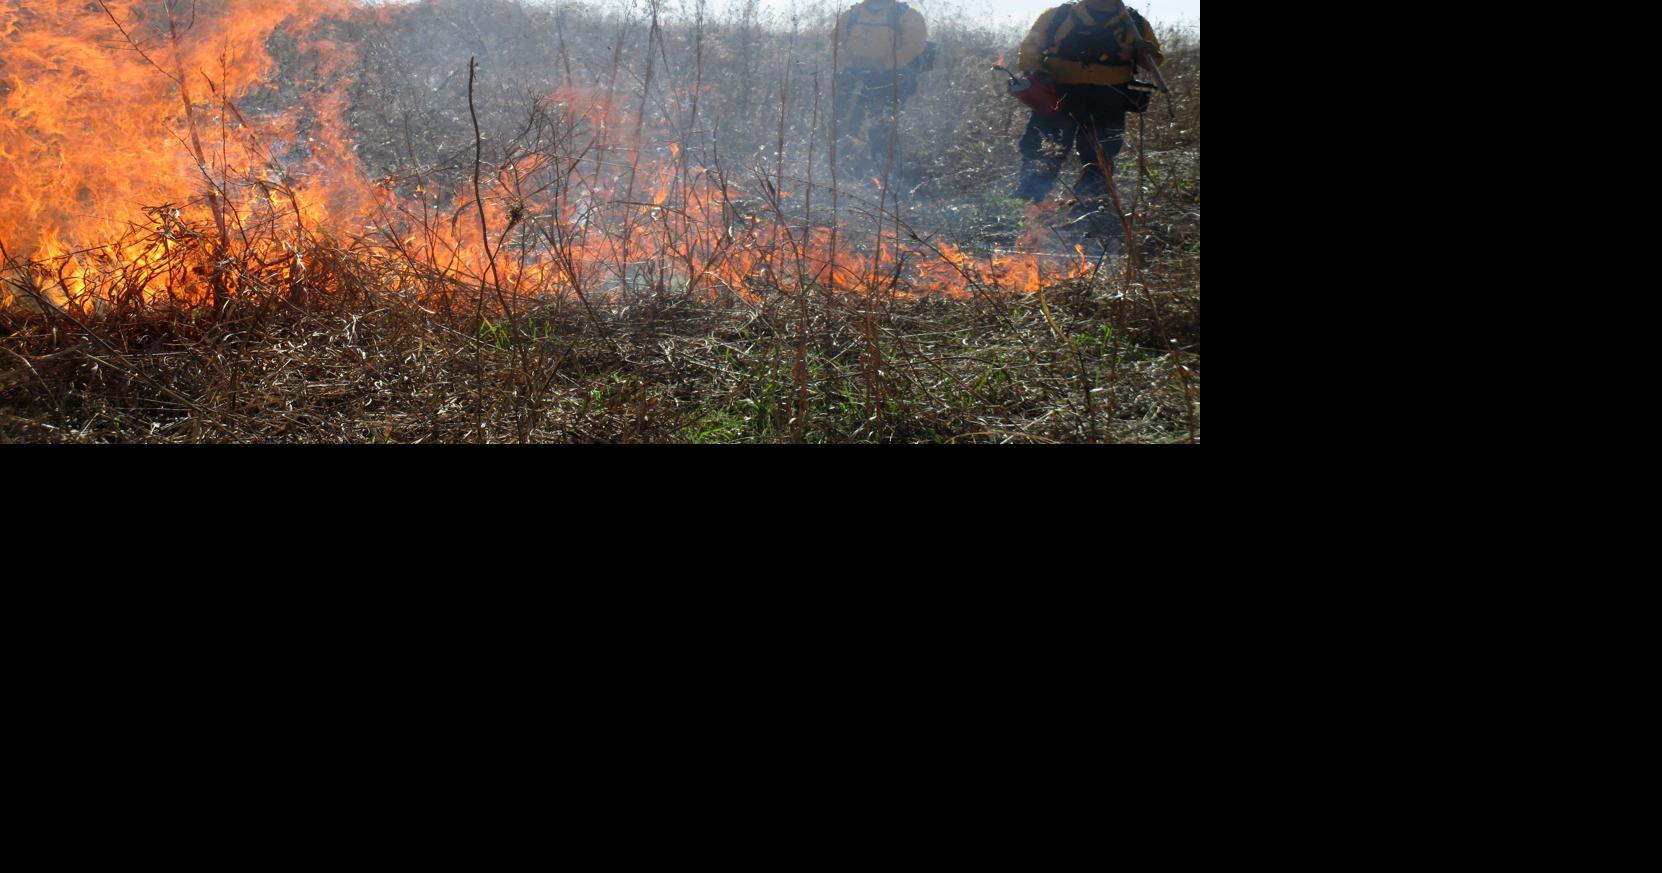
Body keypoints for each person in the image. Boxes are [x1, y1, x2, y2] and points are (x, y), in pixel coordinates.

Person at [1012, 0, 1163, 210]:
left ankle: (1091, 205)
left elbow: (1153, 62)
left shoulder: (1135, 23)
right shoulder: (1057, 16)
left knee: (1101, 152)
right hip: (1058, 93)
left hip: (1109, 98)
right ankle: (1029, 198)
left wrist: (1147, 51)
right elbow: (1029, 51)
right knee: (1043, 147)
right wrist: (1036, 71)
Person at [834, 0, 930, 174]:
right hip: (853, 78)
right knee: (845, 122)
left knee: (881, 125)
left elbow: (916, 45)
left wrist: (885, 63)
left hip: (888, 79)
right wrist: (847, 60)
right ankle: (846, 165)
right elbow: (835, 41)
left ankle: (882, 170)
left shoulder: (906, 15)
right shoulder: (852, 14)